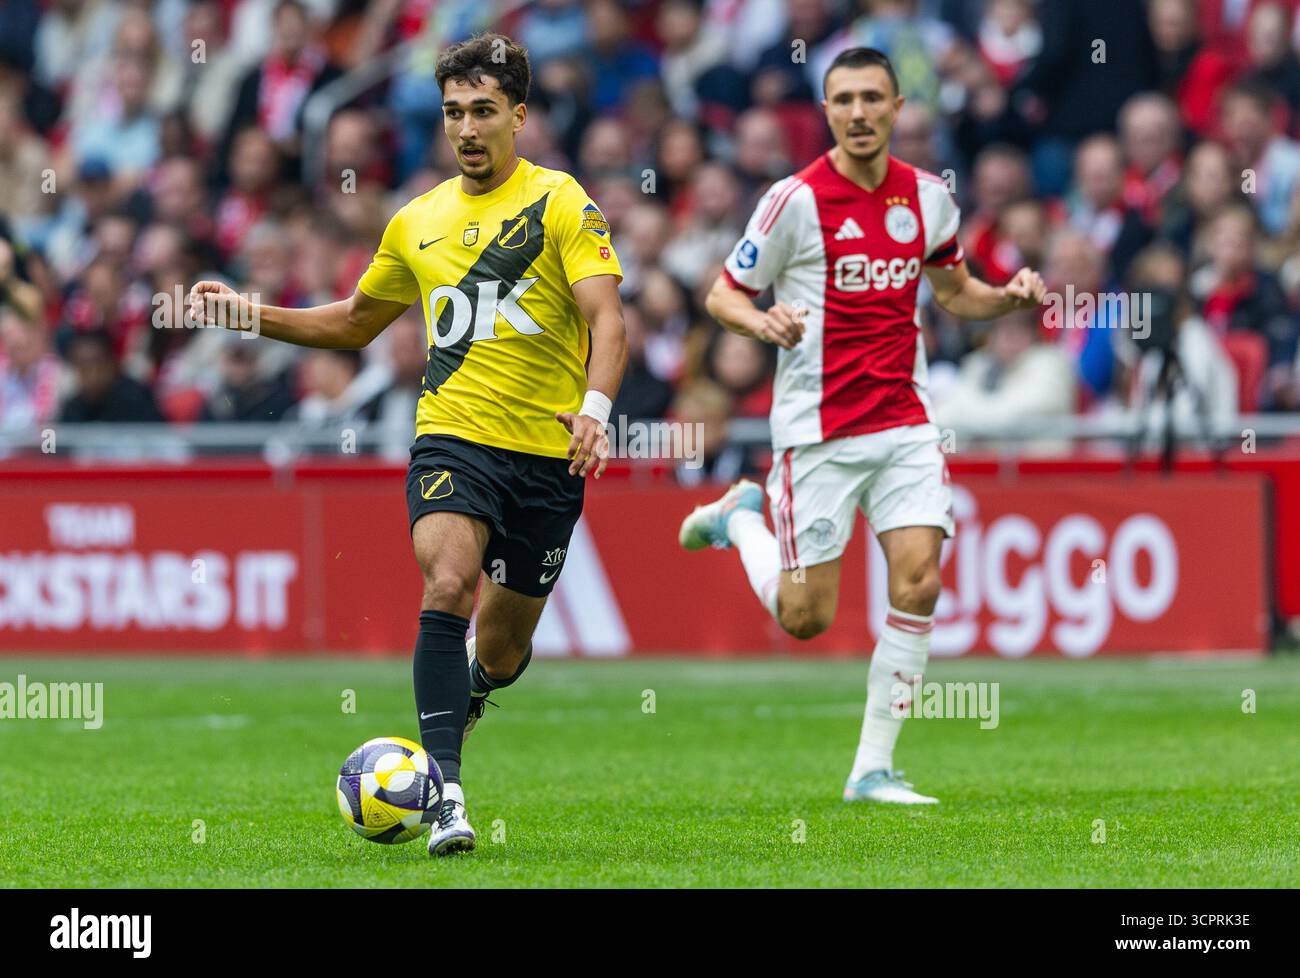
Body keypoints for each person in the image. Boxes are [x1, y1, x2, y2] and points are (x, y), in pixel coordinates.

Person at [189, 33, 627, 855]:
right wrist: (250, 313)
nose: (466, 127)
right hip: (451, 439)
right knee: (449, 579)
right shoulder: (416, 221)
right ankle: (449, 797)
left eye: (484, 112)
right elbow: (356, 322)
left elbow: (608, 316)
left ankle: (462, 696)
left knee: (500, 650)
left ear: (518, 117)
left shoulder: (562, 203)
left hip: (547, 454)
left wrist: (597, 408)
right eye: (454, 111)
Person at [678, 48, 1044, 805]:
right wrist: (762, 318)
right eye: (843, 99)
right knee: (805, 618)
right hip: (817, 430)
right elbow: (723, 294)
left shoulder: (931, 198)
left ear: (898, 107)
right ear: (827, 109)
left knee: (919, 580)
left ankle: (872, 769)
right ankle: (742, 520)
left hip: (906, 421)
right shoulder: (795, 200)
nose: (858, 112)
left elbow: (953, 292)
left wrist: (1006, 299)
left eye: (872, 98)